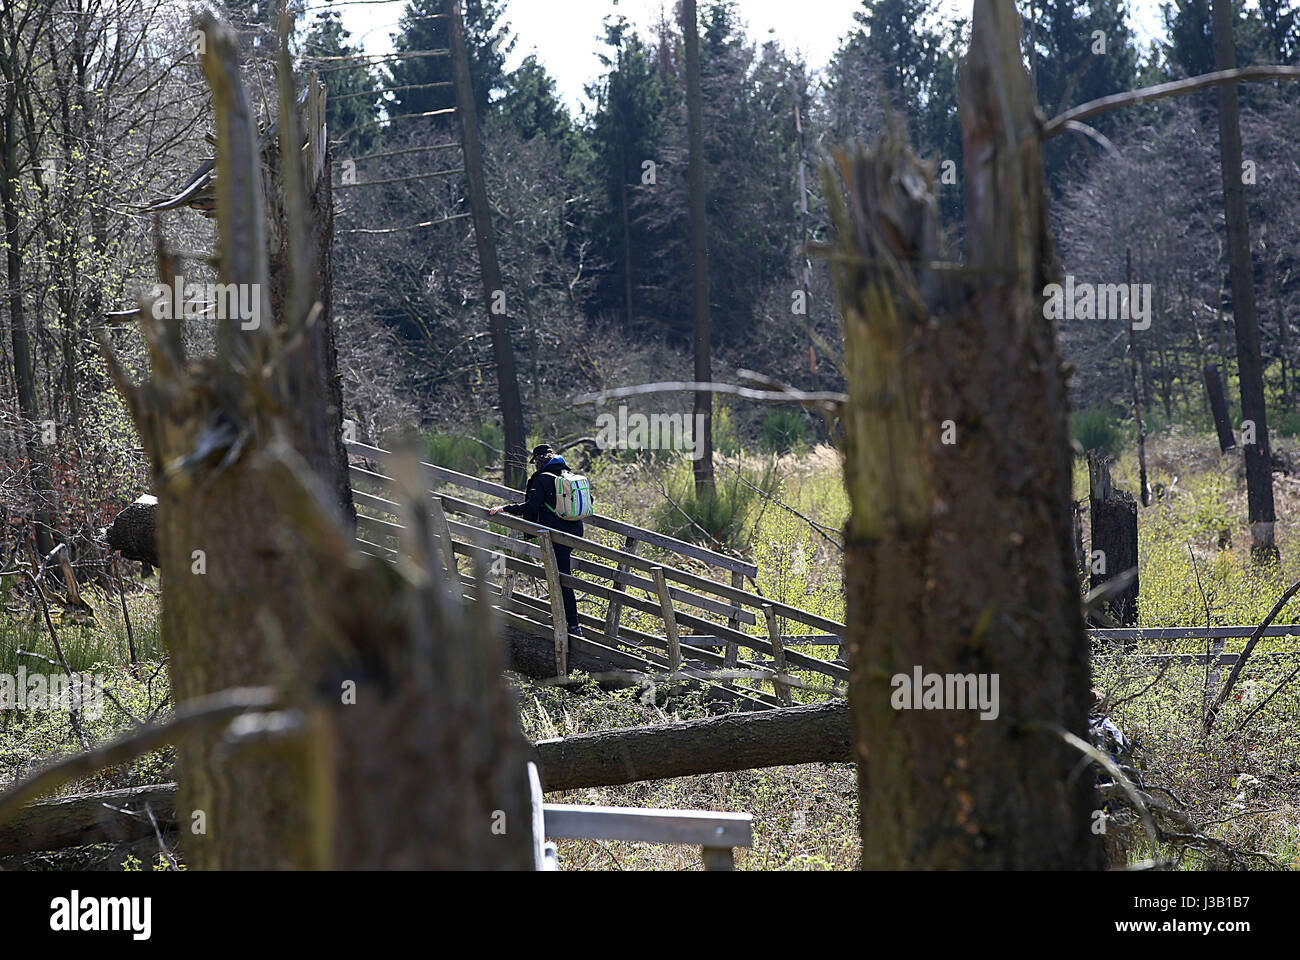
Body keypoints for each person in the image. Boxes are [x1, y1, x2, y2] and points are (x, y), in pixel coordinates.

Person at [489, 444, 585, 637]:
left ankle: (573, 625)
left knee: (561, 579)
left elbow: (532, 507)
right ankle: (563, 618)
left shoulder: (541, 479)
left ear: (537, 462)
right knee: (560, 577)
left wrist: (505, 508)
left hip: (556, 535)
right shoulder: (565, 474)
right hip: (573, 532)